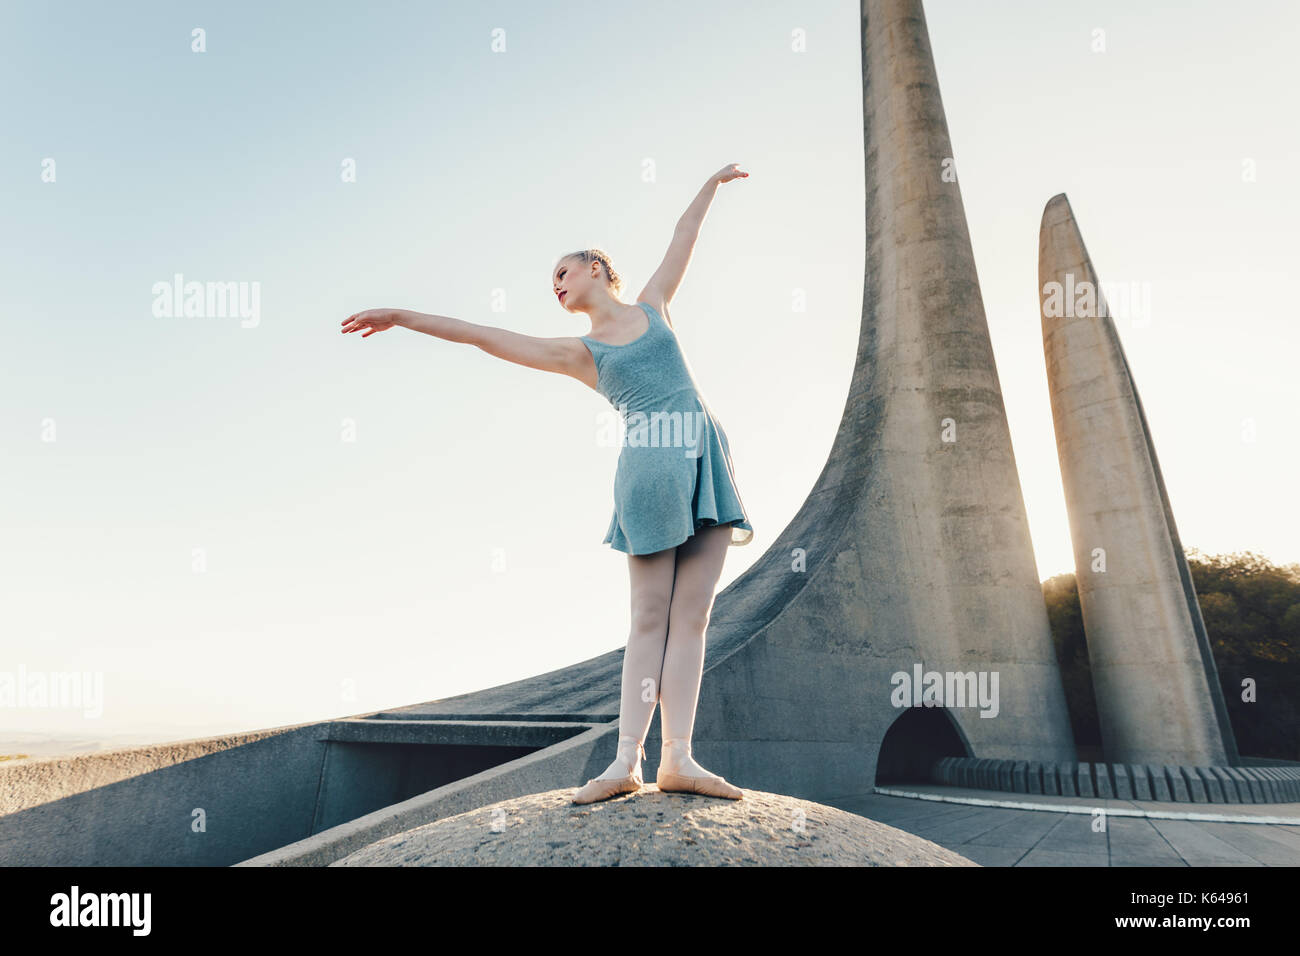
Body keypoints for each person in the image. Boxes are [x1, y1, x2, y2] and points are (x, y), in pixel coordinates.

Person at [340, 163, 755, 804]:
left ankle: (679, 759)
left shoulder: (653, 306)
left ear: (597, 268)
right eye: (550, 282)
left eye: (562, 272)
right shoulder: (578, 352)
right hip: (649, 469)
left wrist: (711, 183)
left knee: (693, 619)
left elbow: (683, 236)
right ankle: (624, 763)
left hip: (705, 456)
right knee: (650, 617)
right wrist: (402, 315)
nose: (555, 286)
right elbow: (485, 336)